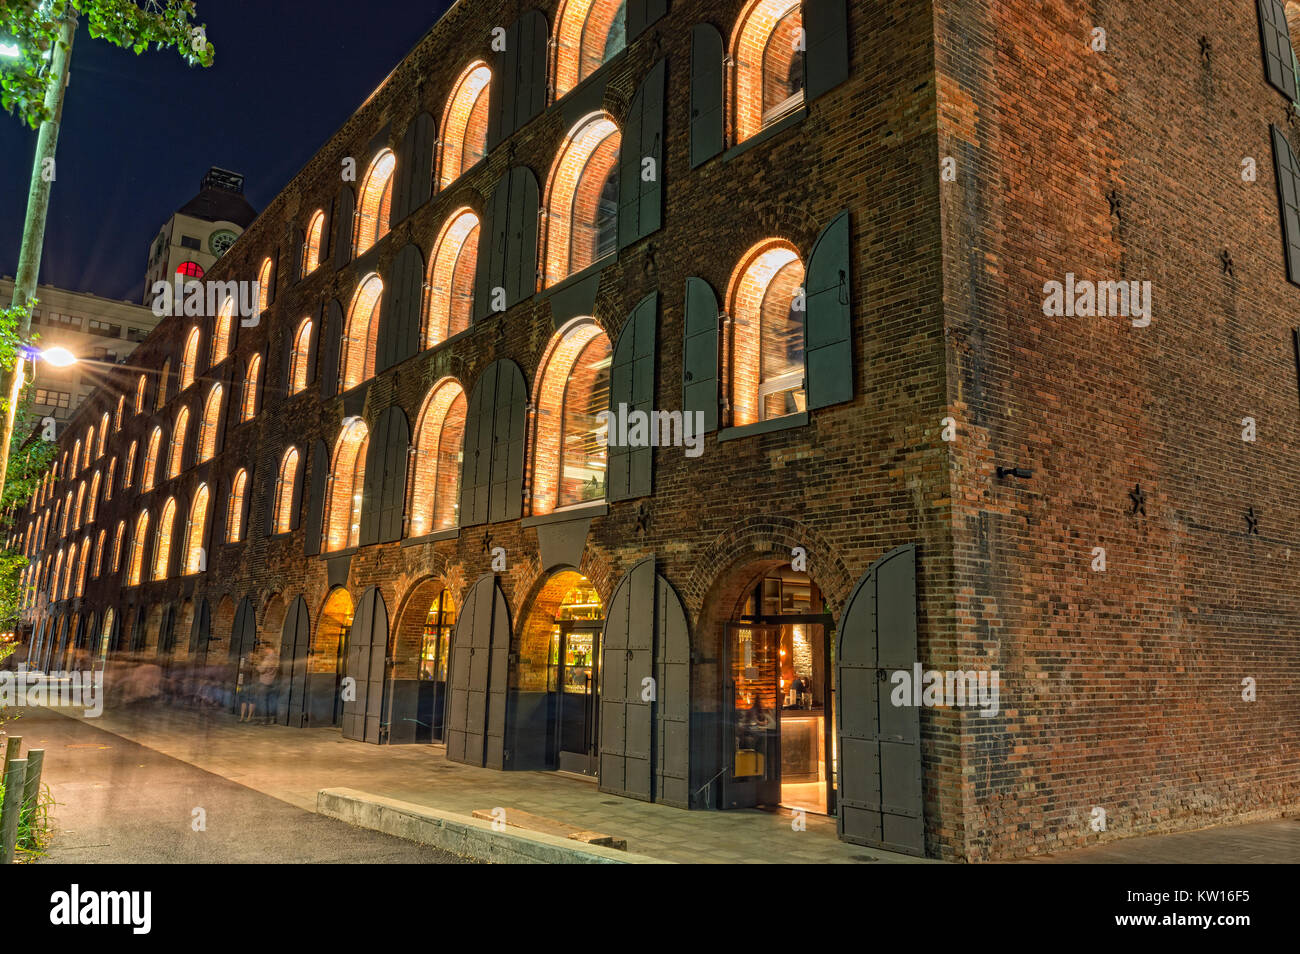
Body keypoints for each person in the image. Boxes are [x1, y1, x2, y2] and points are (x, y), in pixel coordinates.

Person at [255, 642, 280, 725]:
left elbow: (262, 669)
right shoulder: (277, 658)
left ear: (269, 649)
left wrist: (257, 666)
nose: (265, 650)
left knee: (263, 701)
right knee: (272, 701)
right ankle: (272, 719)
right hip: (273, 681)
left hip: (265, 682)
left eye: (266, 649)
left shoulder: (268, 658)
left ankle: (264, 720)